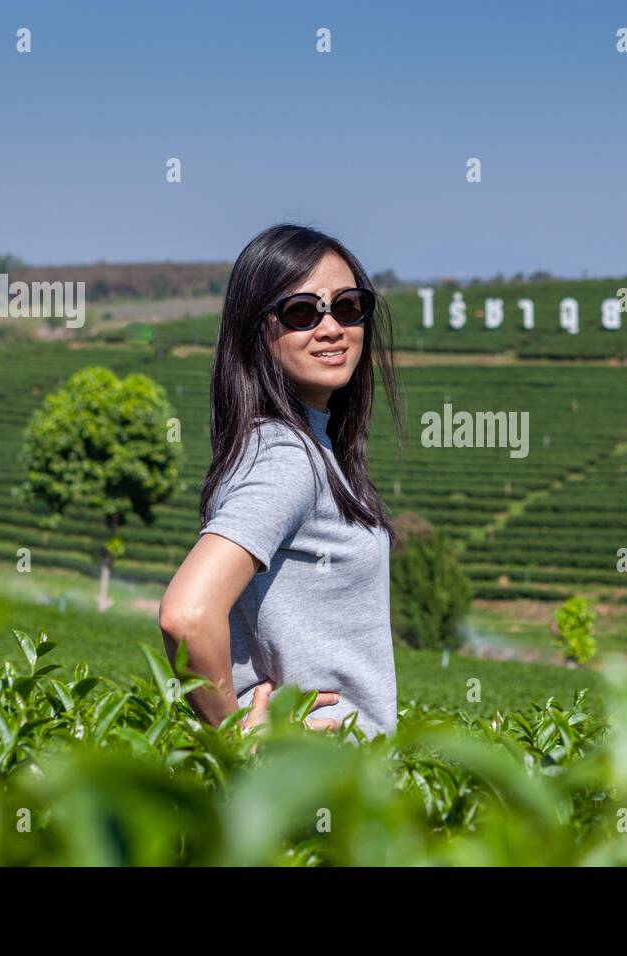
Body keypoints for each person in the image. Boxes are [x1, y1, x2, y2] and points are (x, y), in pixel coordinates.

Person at [159, 223, 403, 742]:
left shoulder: (310, 446)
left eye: (347, 306)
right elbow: (187, 615)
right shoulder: (287, 457)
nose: (332, 327)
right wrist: (234, 737)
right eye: (301, 312)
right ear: (258, 331)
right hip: (315, 779)